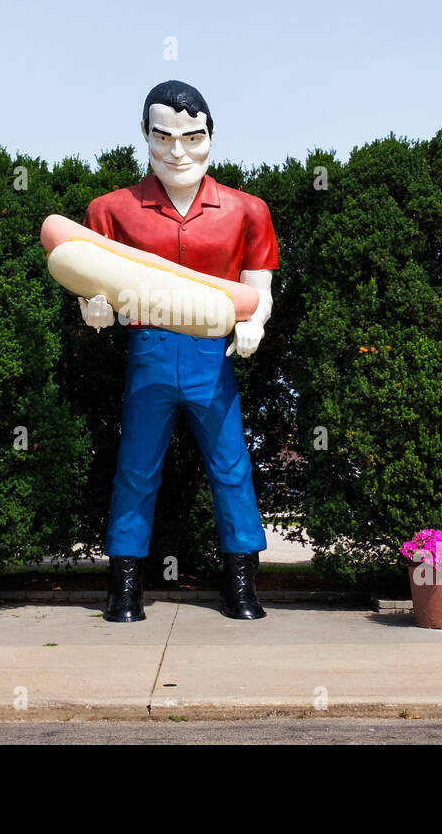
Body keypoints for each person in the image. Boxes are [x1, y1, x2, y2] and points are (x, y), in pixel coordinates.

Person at [79, 80, 278, 622]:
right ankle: (124, 589)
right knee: (137, 468)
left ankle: (241, 585)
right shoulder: (111, 210)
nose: (178, 151)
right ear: (145, 135)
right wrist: (93, 306)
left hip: (212, 354)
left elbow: (259, 287)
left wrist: (255, 319)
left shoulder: (246, 210)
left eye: (193, 137)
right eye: (164, 137)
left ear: (212, 134)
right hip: (150, 348)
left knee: (230, 466)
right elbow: (96, 281)